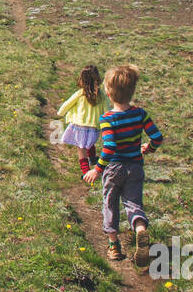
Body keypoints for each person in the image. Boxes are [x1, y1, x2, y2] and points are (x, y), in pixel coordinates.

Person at [83, 64, 163, 263]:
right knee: (133, 203)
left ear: (108, 94)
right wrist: (148, 148)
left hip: (113, 169)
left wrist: (97, 169)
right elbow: (157, 137)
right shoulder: (140, 114)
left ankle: (114, 246)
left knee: (110, 204)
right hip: (135, 167)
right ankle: (140, 230)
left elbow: (109, 148)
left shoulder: (108, 119)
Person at [56, 65, 106, 177]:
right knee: (89, 142)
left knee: (81, 149)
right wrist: (110, 121)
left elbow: (68, 103)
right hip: (93, 127)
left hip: (79, 126)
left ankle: (86, 172)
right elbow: (107, 109)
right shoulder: (101, 95)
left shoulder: (80, 93)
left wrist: (60, 113)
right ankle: (92, 159)